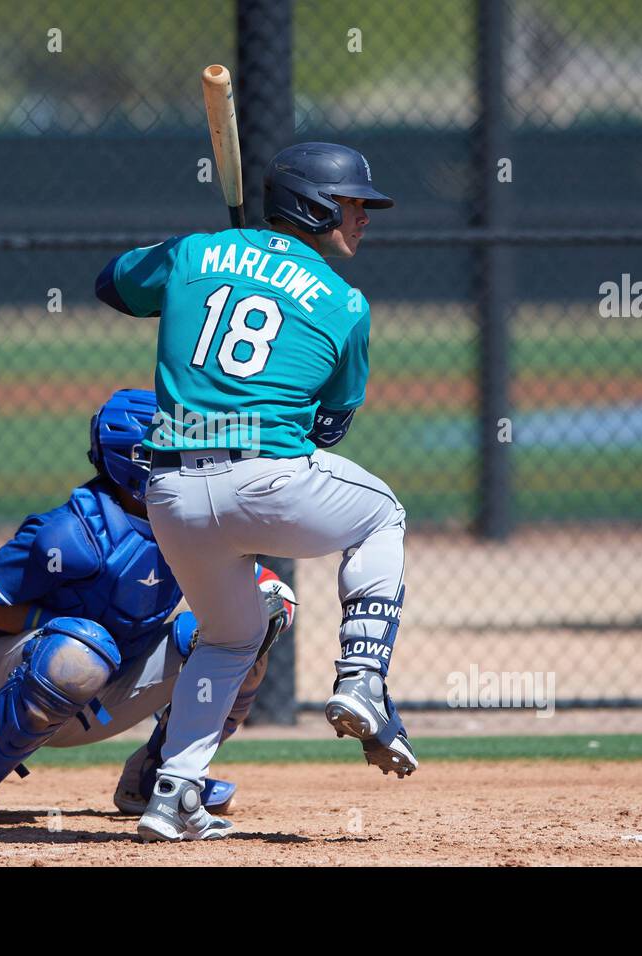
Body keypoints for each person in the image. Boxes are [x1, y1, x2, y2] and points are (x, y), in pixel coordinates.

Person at [94, 143, 414, 842]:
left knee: (230, 636)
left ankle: (173, 793)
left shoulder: (194, 254)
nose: (364, 218)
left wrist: (203, 253)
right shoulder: (344, 303)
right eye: (354, 204)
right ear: (315, 206)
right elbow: (329, 429)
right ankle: (362, 677)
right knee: (382, 514)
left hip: (171, 493)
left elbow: (110, 285)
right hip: (269, 476)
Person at [0, 388, 295, 825]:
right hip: (7, 680)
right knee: (81, 649)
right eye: (174, 450)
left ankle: (162, 779)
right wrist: (55, 629)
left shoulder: (193, 521)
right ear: (136, 458)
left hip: (110, 681)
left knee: (244, 633)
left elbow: (259, 584)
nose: (193, 459)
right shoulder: (73, 534)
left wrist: (274, 603)